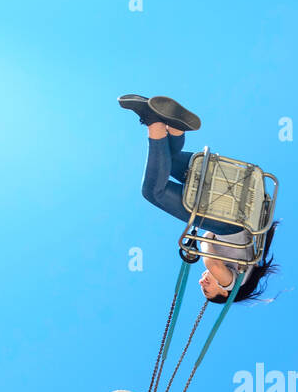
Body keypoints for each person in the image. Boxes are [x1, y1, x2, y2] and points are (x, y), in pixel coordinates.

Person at [119, 94, 279, 304]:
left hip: (233, 207)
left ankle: (175, 126)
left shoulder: (248, 262)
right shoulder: (232, 284)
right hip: (228, 222)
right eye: (207, 291)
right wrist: (204, 246)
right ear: (224, 294)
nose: (201, 284)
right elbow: (213, 264)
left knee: (170, 159)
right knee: (153, 192)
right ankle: (153, 120)